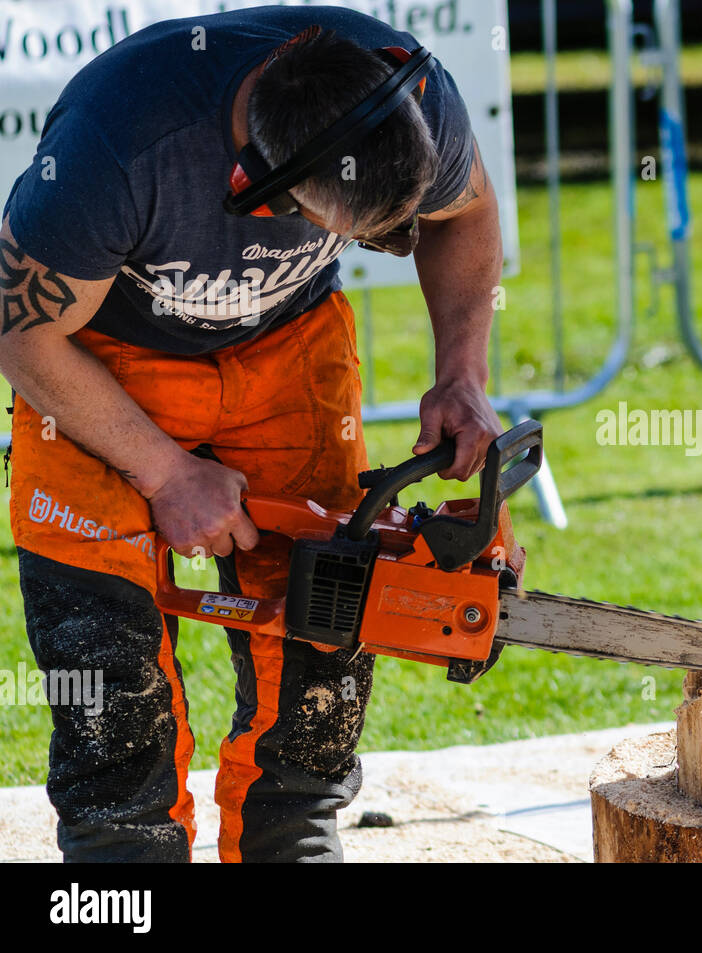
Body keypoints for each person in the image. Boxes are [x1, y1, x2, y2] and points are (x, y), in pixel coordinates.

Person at [0, 5, 503, 862]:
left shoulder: (421, 96)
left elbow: (466, 214)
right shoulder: (120, 144)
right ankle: (121, 853)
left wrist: (462, 373)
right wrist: (163, 471)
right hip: (97, 363)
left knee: (324, 615)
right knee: (100, 640)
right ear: (250, 180)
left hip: (288, 349)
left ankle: (292, 828)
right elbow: (21, 332)